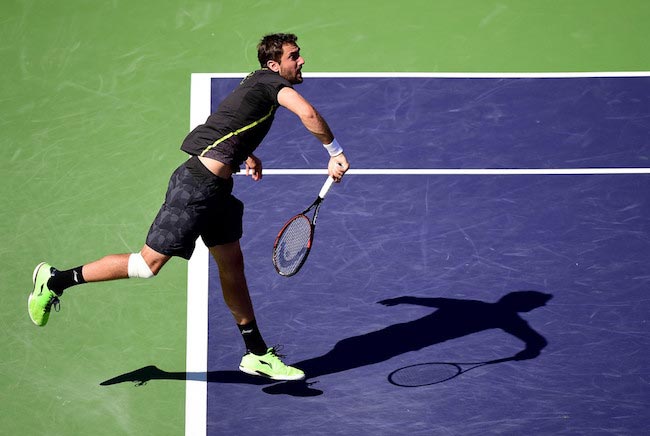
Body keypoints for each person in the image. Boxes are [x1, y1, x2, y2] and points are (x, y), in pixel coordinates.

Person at [27, 33, 350, 382]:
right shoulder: (272, 83)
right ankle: (55, 280)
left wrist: (244, 155)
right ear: (274, 65)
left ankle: (256, 353)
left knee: (232, 265)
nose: (301, 61)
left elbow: (226, 122)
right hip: (196, 187)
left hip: (219, 189)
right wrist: (335, 153)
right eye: (294, 56)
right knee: (146, 265)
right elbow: (308, 112)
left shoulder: (257, 84)